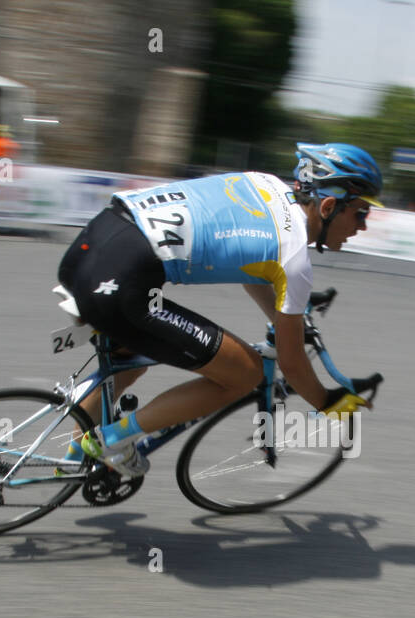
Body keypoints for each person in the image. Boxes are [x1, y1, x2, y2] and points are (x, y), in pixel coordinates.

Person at [55, 142, 382, 476]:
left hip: (92, 245)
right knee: (246, 372)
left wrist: (285, 317)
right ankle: (113, 441)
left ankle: (69, 464)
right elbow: (293, 363)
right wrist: (327, 402)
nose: (363, 226)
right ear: (328, 206)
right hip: (122, 283)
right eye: (360, 212)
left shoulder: (264, 184)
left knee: (128, 364)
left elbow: (250, 266)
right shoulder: (294, 257)